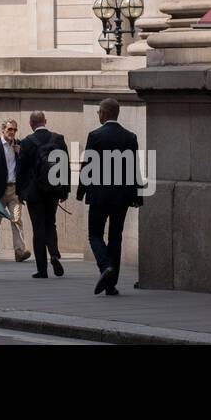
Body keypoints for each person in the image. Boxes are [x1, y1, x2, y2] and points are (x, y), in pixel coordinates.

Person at [76, 98, 142, 296]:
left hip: (99, 195)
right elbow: (134, 169)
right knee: (116, 237)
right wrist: (137, 196)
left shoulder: (95, 136)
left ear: (104, 114)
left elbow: (87, 165)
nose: (98, 115)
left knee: (94, 234)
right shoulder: (129, 137)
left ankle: (105, 266)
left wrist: (81, 191)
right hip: (121, 197)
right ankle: (111, 285)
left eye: (99, 112)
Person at [18, 111, 68, 278]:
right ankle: (54, 254)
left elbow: (21, 170)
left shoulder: (27, 142)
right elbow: (65, 165)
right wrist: (64, 190)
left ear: (31, 124)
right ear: (45, 121)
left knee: (38, 228)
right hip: (53, 189)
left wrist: (20, 192)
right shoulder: (58, 139)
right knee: (50, 223)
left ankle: (42, 269)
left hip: (34, 193)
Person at [0, 119, 30, 263]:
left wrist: (21, 153)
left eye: (15, 130)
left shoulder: (19, 145)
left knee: (17, 219)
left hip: (14, 190)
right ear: (3, 130)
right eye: (10, 129)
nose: (12, 132)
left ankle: (19, 251)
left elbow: (25, 167)